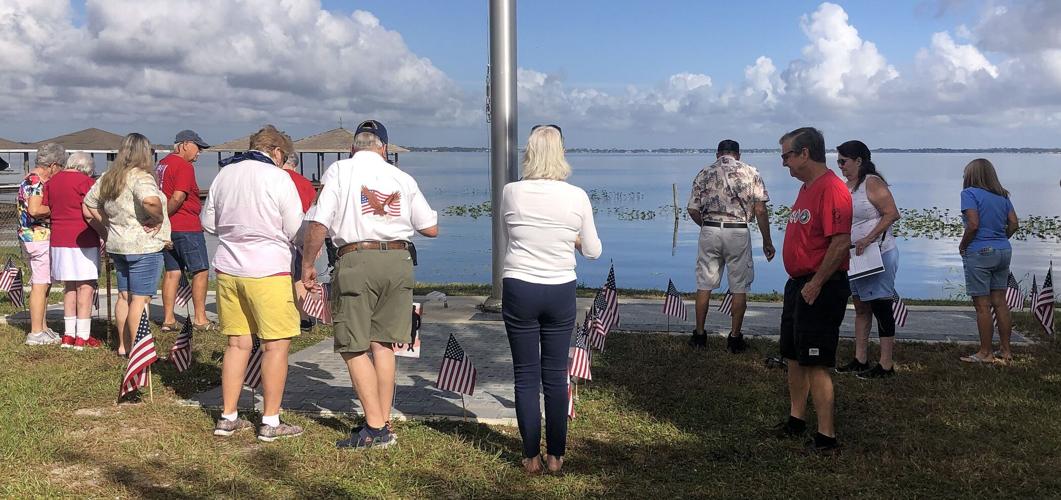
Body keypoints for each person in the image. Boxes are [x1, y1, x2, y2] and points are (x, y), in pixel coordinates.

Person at [301, 119, 438, 449]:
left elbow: (320, 222)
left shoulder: (339, 171)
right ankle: (383, 416)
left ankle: (375, 428)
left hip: (357, 258)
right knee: (384, 343)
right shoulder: (402, 178)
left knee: (352, 345)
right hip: (399, 260)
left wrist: (307, 264)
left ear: (352, 147)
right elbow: (431, 227)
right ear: (384, 148)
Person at [501, 125, 602, 475]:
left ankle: (530, 457)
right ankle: (556, 456)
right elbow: (593, 250)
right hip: (559, 289)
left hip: (519, 287)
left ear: (529, 153)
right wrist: (570, 239)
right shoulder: (576, 196)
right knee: (556, 377)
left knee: (525, 376)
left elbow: (509, 236)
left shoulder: (511, 192)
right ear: (561, 154)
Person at [202, 125, 305, 441]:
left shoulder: (225, 174)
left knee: (237, 344)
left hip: (229, 269)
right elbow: (296, 229)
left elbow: (208, 222)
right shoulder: (278, 178)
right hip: (268, 271)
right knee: (275, 346)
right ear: (277, 152)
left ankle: (228, 416)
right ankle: (271, 421)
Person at [772, 127, 852, 455]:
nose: (783, 163)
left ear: (805, 153)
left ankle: (826, 436)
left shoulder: (832, 189)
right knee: (793, 356)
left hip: (821, 286)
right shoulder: (807, 188)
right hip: (799, 285)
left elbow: (840, 242)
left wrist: (816, 283)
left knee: (816, 362)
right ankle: (796, 418)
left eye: (786, 156)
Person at [83, 133, 171, 358]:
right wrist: (158, 218)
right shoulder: (140, 177)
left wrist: (107, 226)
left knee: (124, 296)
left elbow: (89, 203)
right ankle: (138, 350)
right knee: (140, 300)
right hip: (143, 246)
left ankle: (123, 345)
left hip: (118, 244)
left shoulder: (109, 177)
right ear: (145, 153)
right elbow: (150, 200)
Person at [686, 139, 774, 352]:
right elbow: (760, 210)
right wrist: (767, 241)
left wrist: (706, 226)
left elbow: (692, 209)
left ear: (718, 154)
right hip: (738, 231)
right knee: (739, 286)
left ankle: (699, 335)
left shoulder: (704, 172)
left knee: (704, 284)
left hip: (710, 229)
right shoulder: (751, 172)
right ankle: (734, 338)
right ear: (738, 154)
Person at [833, 141, 900, 378]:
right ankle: (859, 358)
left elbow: (892, 213)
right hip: (855, 257)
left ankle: (886, 364)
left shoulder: (871, 182)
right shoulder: (844, 186)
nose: (840, 166)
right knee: (860, 307)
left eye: (844, 161)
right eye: (838, 161)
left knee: (882, 306)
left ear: (859, 161)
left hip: (878, 254)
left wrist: (869, 238)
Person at [957, 159, 1018, 364]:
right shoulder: (1002, 196)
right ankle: (1006, 351)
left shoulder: (969, 194)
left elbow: (973, 224)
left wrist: (963, 245)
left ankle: (985, 353)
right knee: (1000, 302)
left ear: (971, 175)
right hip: (1003, 250)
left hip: (979, 251)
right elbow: (1014, 223)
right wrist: (1002, 239)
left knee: (982, 305)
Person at [156, 130, 213, 332]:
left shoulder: (162, 164)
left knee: (172, 272)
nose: (199, 153)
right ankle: (200, 317)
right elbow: (178, 197)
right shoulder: (183, 166)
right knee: (200, 270)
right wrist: (164, 217)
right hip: (186, 226)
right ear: (185, 144)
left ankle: (168, 319)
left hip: (168, 229)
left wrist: (160, 221)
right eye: (198, 147)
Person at [44, 152, 101, 349]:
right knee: (85, 286)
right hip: (82, 238)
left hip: (59, 239)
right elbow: (92, 208)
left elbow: (47, 206)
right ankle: (83, 336)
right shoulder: (85, 182)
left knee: (69, 287)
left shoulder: (52, 181)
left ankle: (68, 334)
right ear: (86, 168)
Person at [19, 143, 65, 345]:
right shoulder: (37, 181)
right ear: (53, 165)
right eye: (61, 167)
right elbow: (35, 210)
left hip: (32, 238)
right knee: (40, 284)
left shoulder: (31, 179)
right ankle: (36, 332)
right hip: (38, 238)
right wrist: (57, 207)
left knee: (44, 283)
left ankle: (43, 327)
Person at [280, 149, 318, 330]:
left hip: (276, 236)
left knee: (281, 277)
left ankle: (285, 314)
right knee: (300, 276)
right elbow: (315, 214)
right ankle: (304, 317)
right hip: (300, 236)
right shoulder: (304, 183)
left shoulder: (273, 179)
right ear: (295, 164)